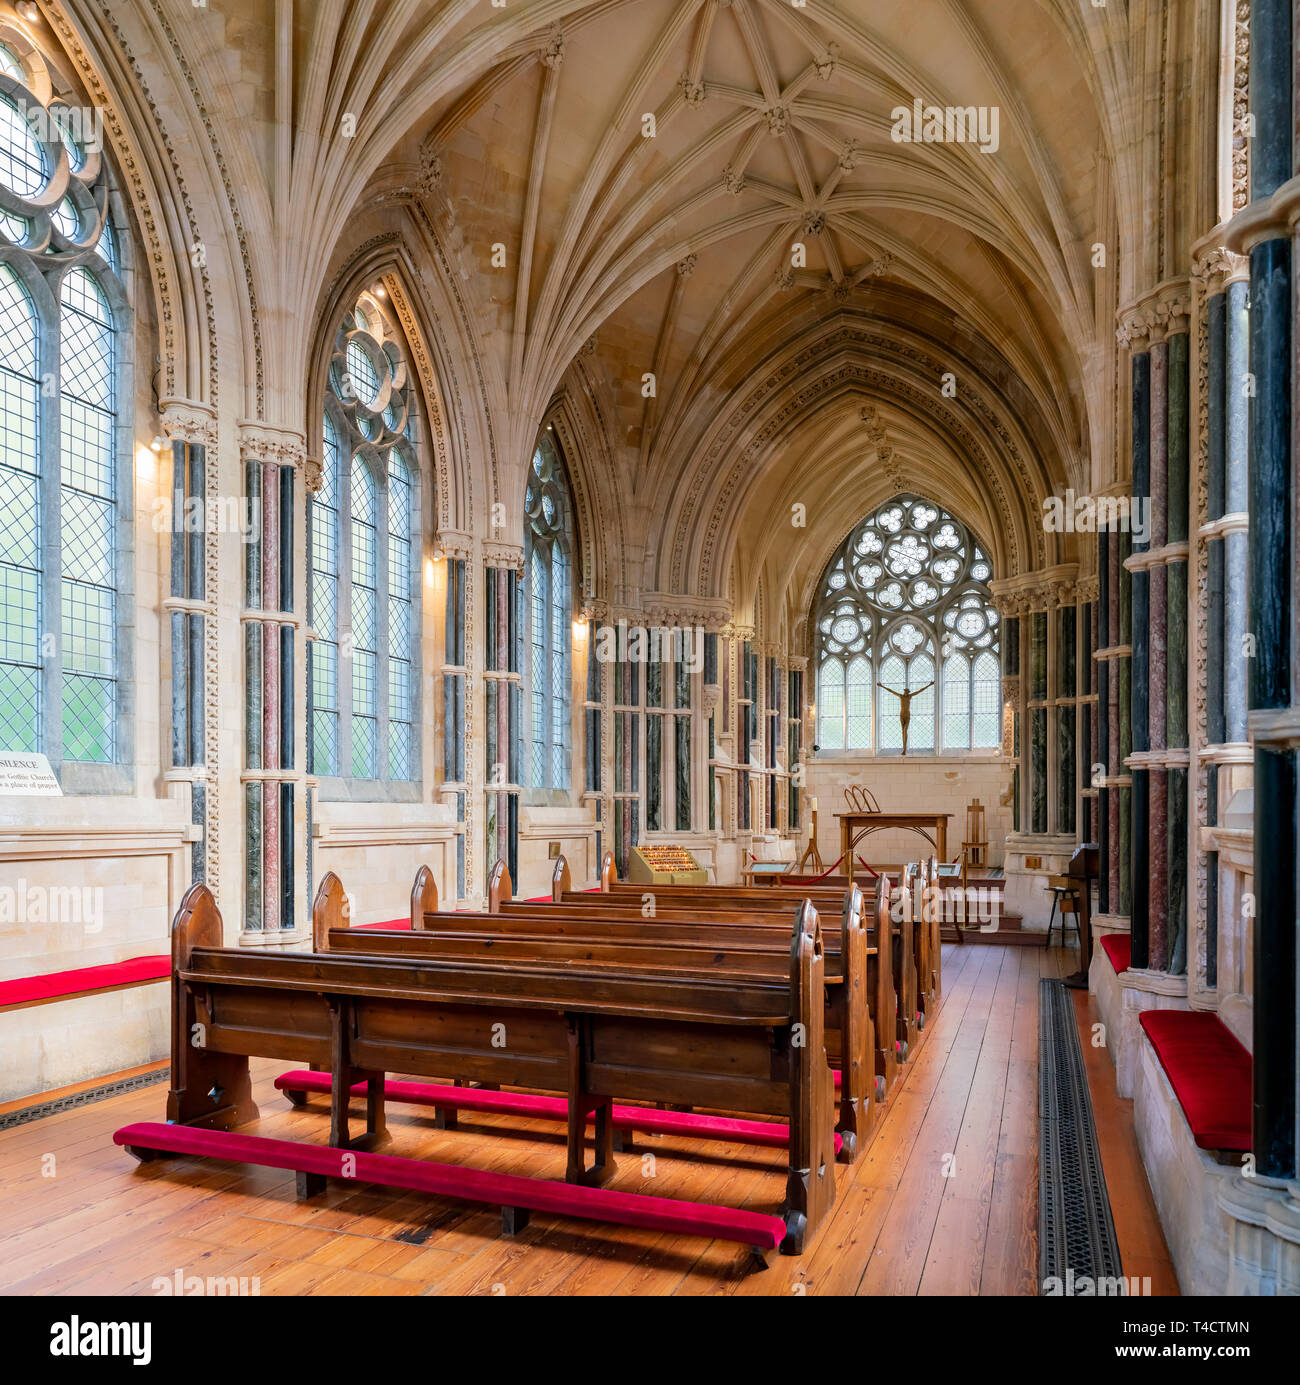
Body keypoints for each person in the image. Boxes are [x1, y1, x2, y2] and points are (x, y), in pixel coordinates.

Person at [877, 679, 934, 756]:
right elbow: (891, 691)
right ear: (904, 691)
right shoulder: (901, 696)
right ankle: (904, 749)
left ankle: (904, 749)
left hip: (907, 715)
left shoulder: (910, 697)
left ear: (908, 692)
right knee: (902, 731)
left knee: (905, 730)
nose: (906, 692)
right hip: (902, 714)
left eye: (907, 691)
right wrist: (882, 686)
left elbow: (919, 691)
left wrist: (929, 685)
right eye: (905, 691)